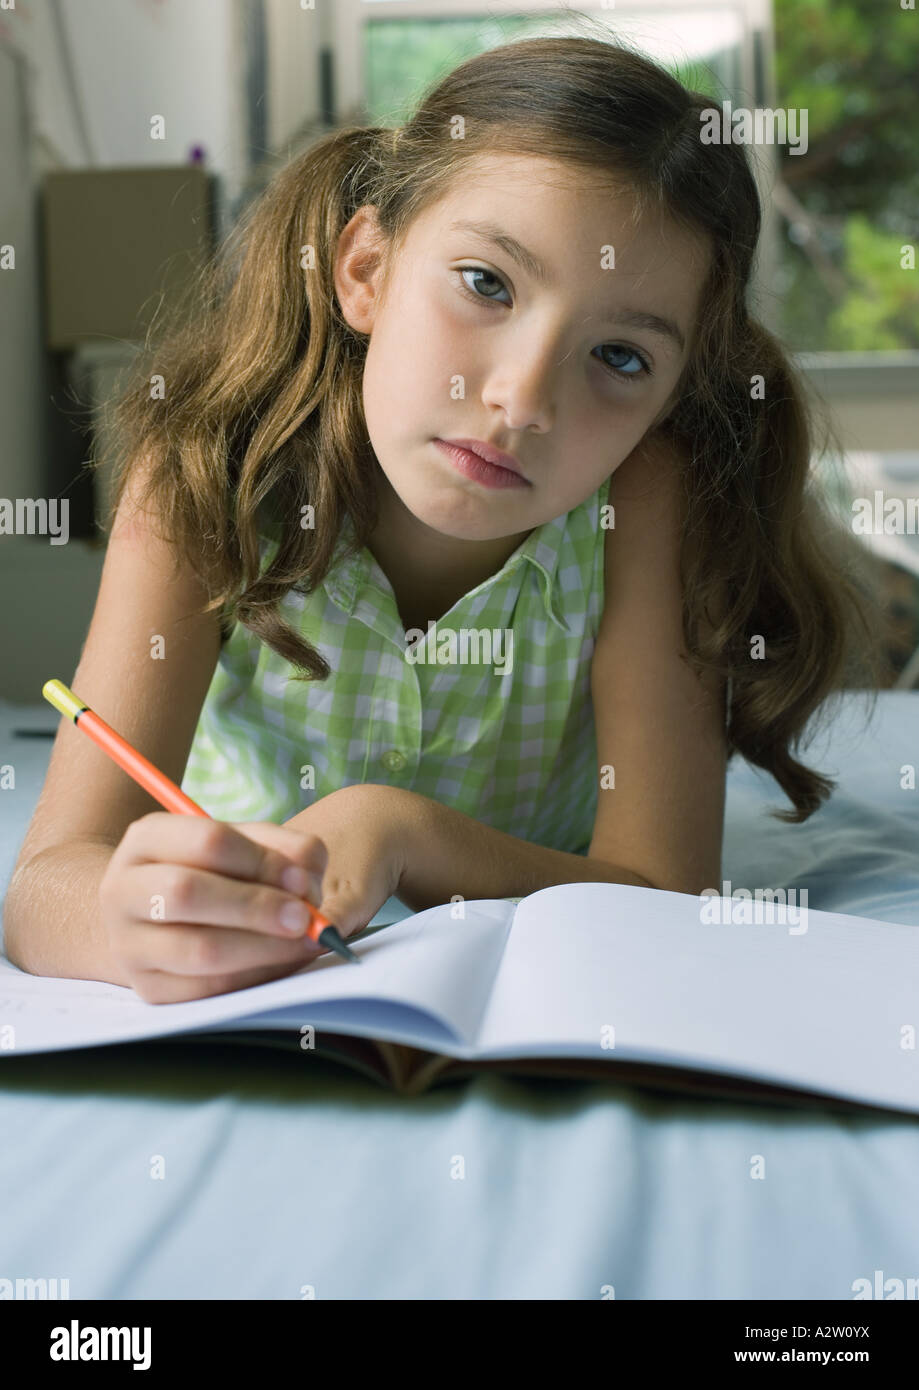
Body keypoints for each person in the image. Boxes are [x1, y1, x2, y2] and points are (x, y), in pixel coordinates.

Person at [5, 37, 885, 1003]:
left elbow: (663, 889)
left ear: (673, 396)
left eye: (621, 357)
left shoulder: (642, 502)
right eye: (486, 284)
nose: (520, 401)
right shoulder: (208, 475)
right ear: (365, 268)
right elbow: (47, 888)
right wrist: (131, 924)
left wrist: (401, 832)